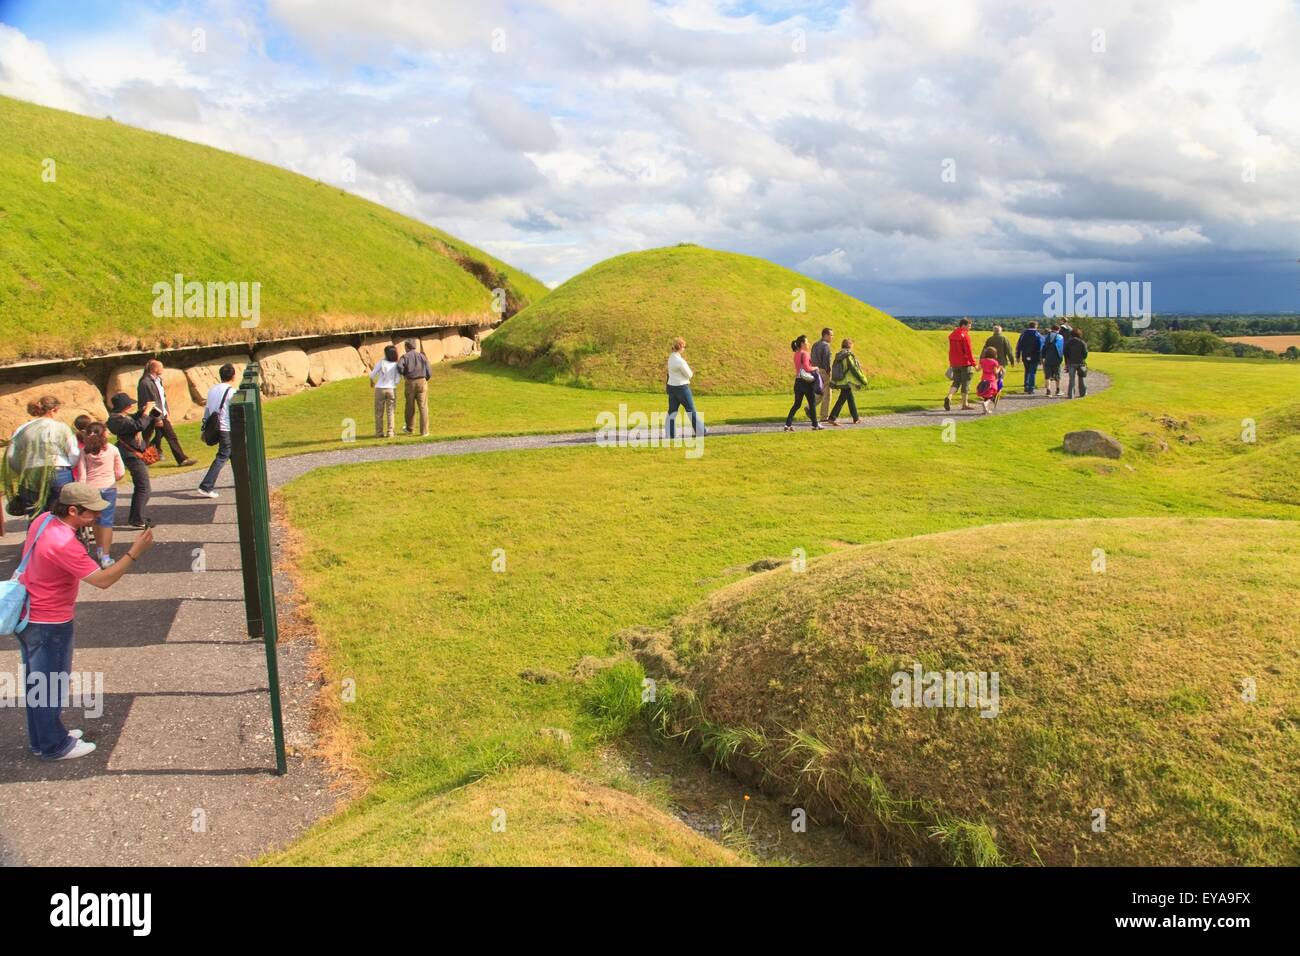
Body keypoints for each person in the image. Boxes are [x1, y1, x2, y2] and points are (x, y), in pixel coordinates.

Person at [15, 483, 154, 759]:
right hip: (49, 622)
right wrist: (134, 553)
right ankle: (54, 745)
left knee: (38, 683)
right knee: (51, 684)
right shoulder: (64, 543)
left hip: (30, 613)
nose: (97, 518)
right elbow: (103, 580)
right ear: (73, 510)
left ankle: (42, 738)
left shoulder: (44, 521)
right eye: (91, 513)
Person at [3, 395, 80, 518]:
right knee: (61, 514)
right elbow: (74, 453)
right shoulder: (62, 427)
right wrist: (70, 466)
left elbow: (11, 456)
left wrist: (22, 471)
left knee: (36, 515)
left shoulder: (23, 428)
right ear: (54, 410)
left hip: (31, 473)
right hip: (59, 471)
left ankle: (36, 535)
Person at [72, 423, 124, 567]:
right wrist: (112, 478)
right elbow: (120, 472)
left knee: (94, 519)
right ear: (104, 434)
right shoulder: (113, 450)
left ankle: (100, 548)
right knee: (107, 522)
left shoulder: (84, 452)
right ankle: (106, 557)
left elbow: (82, 474)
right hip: (108, 488)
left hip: (90, 489)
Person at [105, 392, 157, 529]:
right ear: (124, 406)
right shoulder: (115, 421)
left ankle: (136, 517)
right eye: (129, 405)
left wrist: (144, 411)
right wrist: (145, 412)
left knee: (142, 486)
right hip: (131, 455)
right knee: (143, 487)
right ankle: (137, 519)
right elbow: (137, 426)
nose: (130, 407)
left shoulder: (121, 417)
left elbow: (135, 420)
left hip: (132, 454)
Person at [136, 360, 197, 466]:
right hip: (153, 415)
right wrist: (157, 418)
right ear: (154, 369)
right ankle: (181, 459)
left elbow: (162, 399)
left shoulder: (158, 380)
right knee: (148, 437)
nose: (163, 369)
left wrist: (166, 412)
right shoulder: (145, 383)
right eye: (161, 367)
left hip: (161, 414)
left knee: (167, 436)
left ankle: (181, 459)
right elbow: (149, 402)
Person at [197, 363, 237, 499]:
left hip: (216, 427)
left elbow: (207, 411)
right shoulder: (231, 392)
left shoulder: (212, 390)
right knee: (223, 455)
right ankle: (206, 486)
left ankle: (241, 480)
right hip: (226, 427)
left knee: (232, 454)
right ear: (233, 376)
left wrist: (203, 428)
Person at [665, 337, 703, 438]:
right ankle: (701, 431)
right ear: (680, 347)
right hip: (682, 388)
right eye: (684, 346)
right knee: (691, 410)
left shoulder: (670, 358)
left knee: (672, 411)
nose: (684, 348)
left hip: (672, 387)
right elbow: (689, 375)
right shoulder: (680, 361)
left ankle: (670, 434)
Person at [784, 335, 823, 431]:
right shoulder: (805, 354)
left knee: (797, 404)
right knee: (812, 403)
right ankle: (815, 424)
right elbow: (807, 368)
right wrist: (816, 367)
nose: (808, 344)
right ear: (802, 344)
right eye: (806, 342)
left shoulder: (796, 354)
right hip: (806, 382)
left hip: (798, 382)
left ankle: (787, 424)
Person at [826, 338, 868, 425]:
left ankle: (855, 418)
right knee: (841, 399)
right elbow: (854, 369)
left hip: (840, 380)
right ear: (850, 345)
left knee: (850, 398)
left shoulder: (838, 355)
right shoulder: (848, 355)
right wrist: (863, 379)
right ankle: (832, 418)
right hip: (847, 381)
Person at [396, 339, 432, 437]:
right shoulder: (422, 356)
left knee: (409, 406)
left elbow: (399, 367)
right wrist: (425, 379)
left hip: (410, 382)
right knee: (423, 407)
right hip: (422, 382)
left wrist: (405, 374)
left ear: (407, 346)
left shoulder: (405, 357)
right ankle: (424, 432)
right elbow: (429, 370)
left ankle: (410, 428)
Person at [943, 318, 977, 412]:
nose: (970, 327)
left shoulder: (952, 335)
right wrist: (974, 364)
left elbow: (952, 350)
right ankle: (964, 404)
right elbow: (968, 352)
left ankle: (949, 397)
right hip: (965, 363)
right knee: (966, 383)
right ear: (964, 325)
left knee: (956, 382)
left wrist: (951, 362)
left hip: (954, 362)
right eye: (969, 325)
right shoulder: (965, 336)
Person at [369, 345, 400, 438]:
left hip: (380, 389)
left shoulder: (381, 363)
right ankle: (390, 432)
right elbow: (398, 380)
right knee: (391, 412)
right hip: (391, 389)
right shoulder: (396, 364)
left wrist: (372, 382)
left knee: (379, 412)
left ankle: (379, 433)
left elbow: (371, 375)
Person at [810, 327, 834, 422]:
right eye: (831, 335)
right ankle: (824, 416)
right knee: (827, 394)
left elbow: (811, 357)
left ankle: (809, 408)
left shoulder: (815, 344)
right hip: (824, 371)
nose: (832, 337)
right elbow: (826, 361)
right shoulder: (826, 346)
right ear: (826, 335)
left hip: (815, 370)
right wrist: (828, 372)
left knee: (820, 392)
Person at [1015, 322, 1044, 394]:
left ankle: (1026, 386)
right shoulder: (1038, 335)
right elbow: (1041, 347)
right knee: (1032, 372)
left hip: (1025, 355)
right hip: (1035, 356)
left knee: (1027, 370)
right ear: (1036, 326)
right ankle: (1031, 388)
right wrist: (1041, 358)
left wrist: (1018, 356)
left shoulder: (1023, 334)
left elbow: (1019, 346)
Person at [976, 346, 1003, 414]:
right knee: (991, 395)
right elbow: (995, 372)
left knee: (985, 394)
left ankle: (986, 409)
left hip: (984, 379)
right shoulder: (994, 362)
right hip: (991, 380)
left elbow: (978, 369)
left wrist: (974, 364)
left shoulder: (982, 361)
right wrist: (999, 368)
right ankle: (985, 404)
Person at [1040, 324, 1065, 396]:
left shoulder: (1047, 337)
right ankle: (1058, 390)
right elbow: (1061, 349)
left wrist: (1042, 357)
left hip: (1047, 358)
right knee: (1057, 375)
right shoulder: (1060, 337)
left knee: (1047, 376)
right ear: (1058, 329)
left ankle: (1048, 391)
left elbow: (1043, 348)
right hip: (1056, 359)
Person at [1064, 328, 1090, 399]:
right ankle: (1083, 393)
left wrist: (1066, 362)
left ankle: (1071, 395)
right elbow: (1085, 354)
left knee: (1071, 380)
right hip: (1080, 363)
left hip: (1071, 362)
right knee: (1081, 379)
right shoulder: (1082, 342)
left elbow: (1065, 354)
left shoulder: (1068, 343)